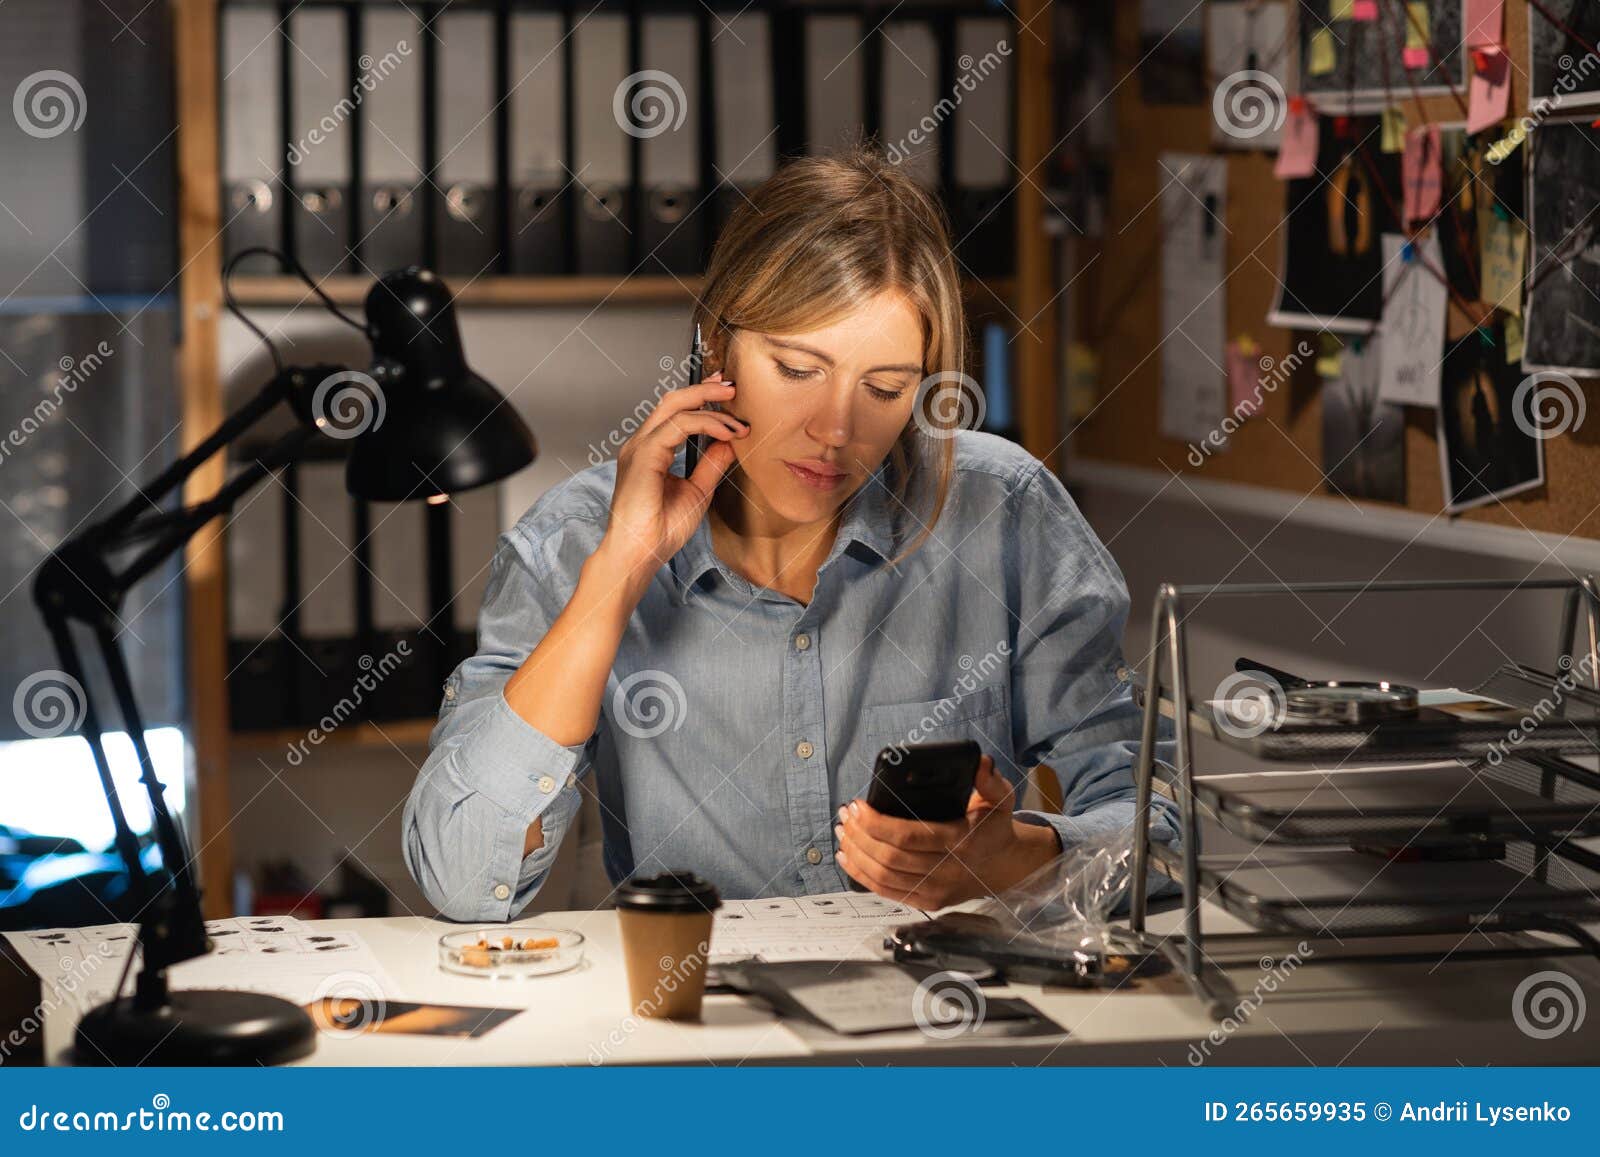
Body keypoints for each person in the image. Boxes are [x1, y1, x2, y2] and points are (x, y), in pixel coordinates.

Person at [402, 147, 1180, 922]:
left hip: (949, 1020)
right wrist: (617, 577)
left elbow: (1169, 829)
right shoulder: (573, 542)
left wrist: (1023, 860)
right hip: (701, 1025)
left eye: (885, 388)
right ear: (717, 343)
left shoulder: (1003, 511)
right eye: (799, 369)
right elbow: (464, 880)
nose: (836, 429)